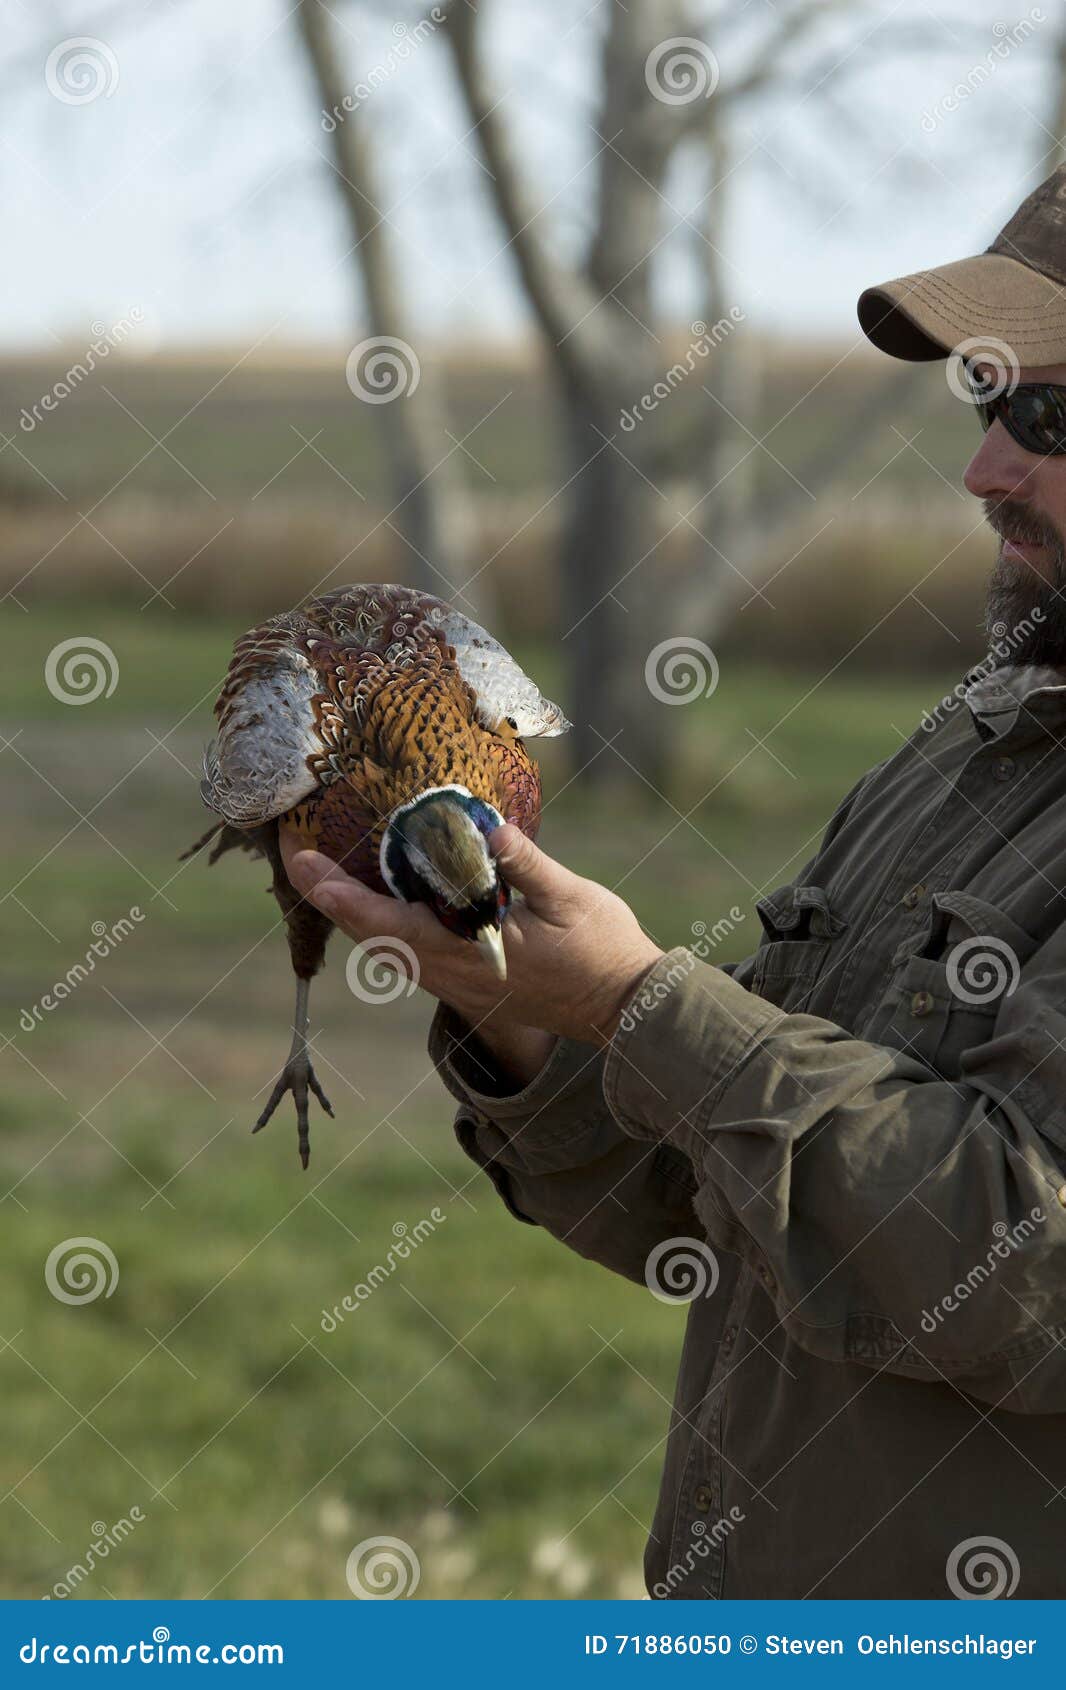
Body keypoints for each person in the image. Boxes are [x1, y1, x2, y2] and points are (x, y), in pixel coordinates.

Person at [283, 163, 1066, 1599]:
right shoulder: (965, 754)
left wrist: (640, 1005)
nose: (984, 471)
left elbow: (1025, 1271)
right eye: (985, 404)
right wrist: (528, 1012)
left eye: (1049, 418)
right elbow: (717, 1205)